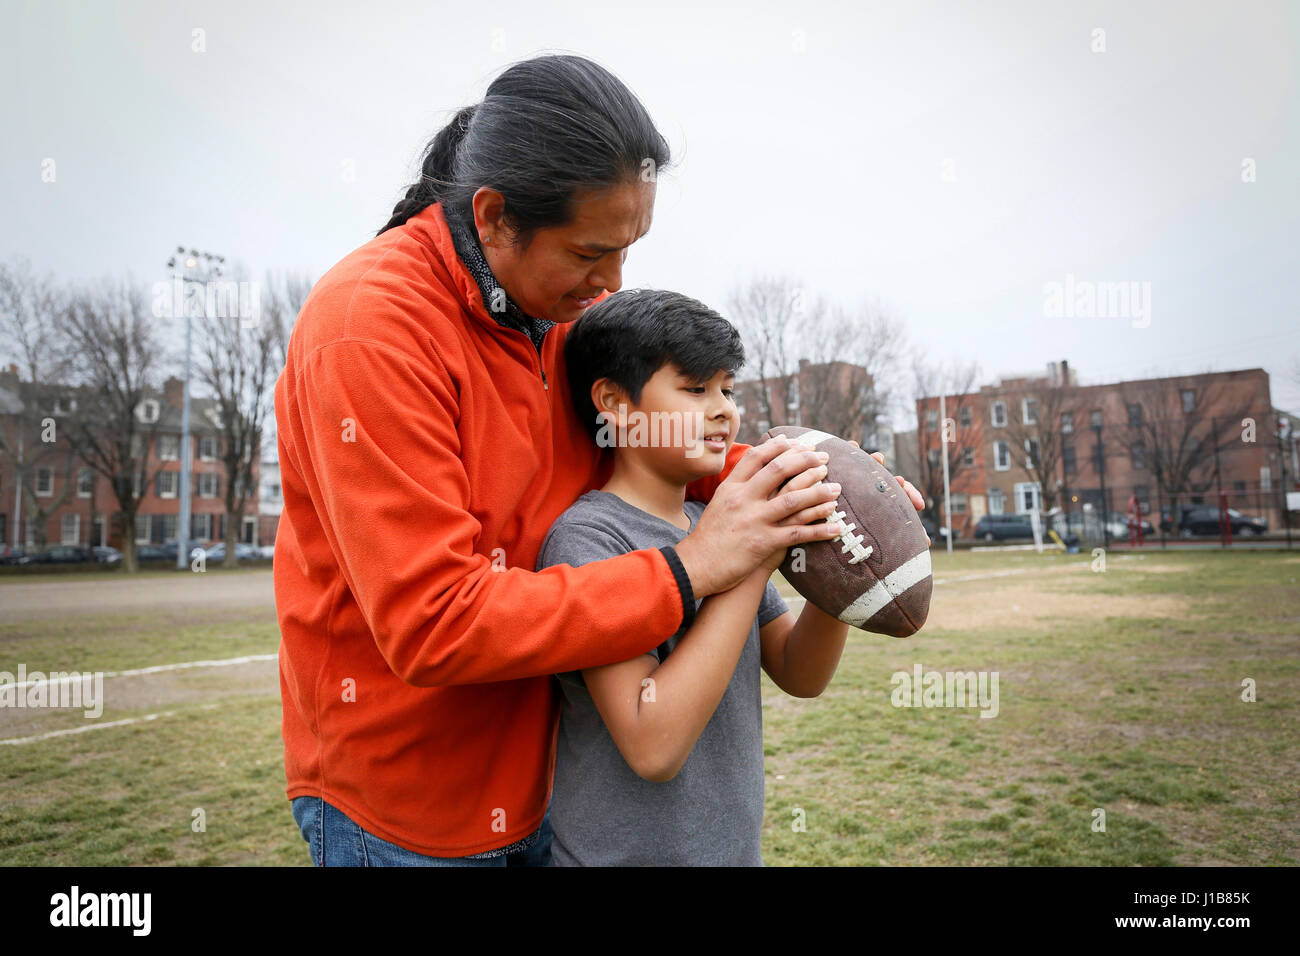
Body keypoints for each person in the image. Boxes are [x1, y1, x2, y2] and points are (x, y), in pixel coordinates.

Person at [274, 53, 922, 866]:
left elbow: (665, 431)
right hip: (407, 809)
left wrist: (816, 486)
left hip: (547, 785)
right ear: (493, 216)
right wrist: (695, 567)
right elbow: (433, 622)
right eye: (589, 253)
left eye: (628, 248)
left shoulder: (558, 312)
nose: (611, 284)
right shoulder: (369, 327)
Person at [537, 289, 852, 866]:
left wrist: (843, 569)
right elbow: (652, 743)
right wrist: (753, 555)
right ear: (615, 402)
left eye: (728, 389)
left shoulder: (714, 523)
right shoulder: (588, 539)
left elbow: (799, 672)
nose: (724, 410)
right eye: (695, 388)